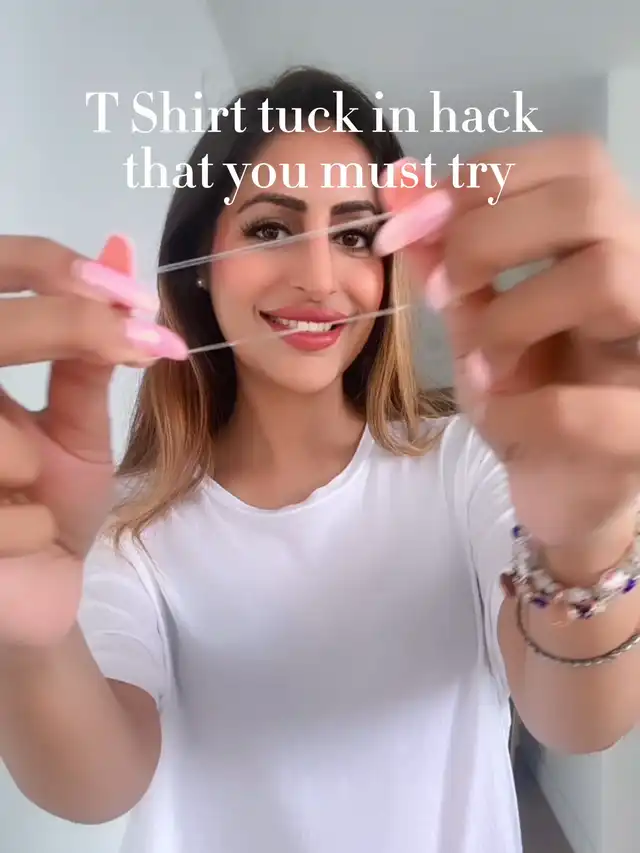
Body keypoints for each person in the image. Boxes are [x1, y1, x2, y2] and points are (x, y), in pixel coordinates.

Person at [1, 66, 640, 853]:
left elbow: (580, 719)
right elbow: (96, 784)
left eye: (355, 235)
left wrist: (586, 539)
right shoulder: (129, 519)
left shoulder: (461, 464)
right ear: (198, 261)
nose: (318, 277)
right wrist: (29, 639)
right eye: (271, 229)